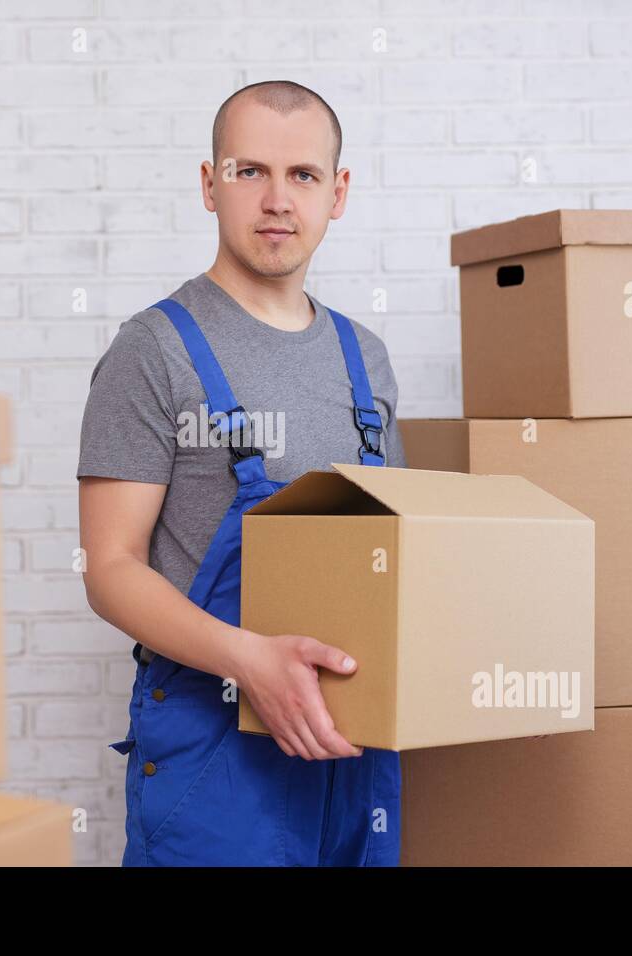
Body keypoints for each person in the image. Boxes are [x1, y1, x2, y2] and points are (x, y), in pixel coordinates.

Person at [77, 80, 405, 866]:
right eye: (249, 171)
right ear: (209, 184)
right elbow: (108, 569)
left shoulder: (367, 361)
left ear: (339, 192)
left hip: (355, 748)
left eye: (303, 175)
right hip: (217, 761)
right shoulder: (152, 351)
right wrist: (249, 662)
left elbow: (392, 558)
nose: (276, 200)